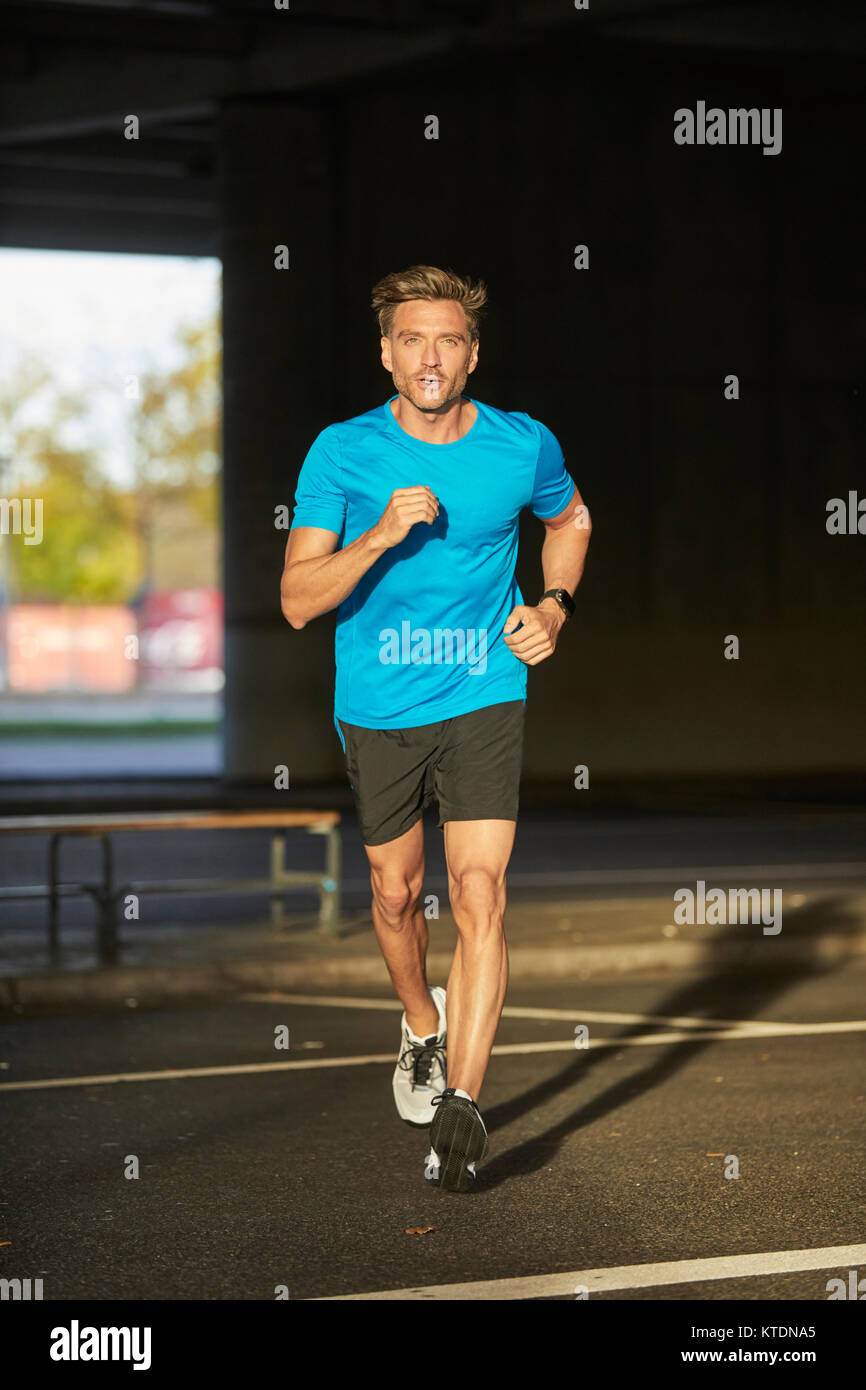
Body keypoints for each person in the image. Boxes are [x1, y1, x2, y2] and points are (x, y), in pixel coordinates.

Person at [280, 265, 591, 1191]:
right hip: (378, 701)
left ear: (472, 353)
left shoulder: (520, 443)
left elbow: (571, 520)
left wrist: (557, 605)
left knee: (479, 890)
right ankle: (422, 1020)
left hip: (485, 687)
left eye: (448, 340)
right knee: (392, 891)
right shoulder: (341, 452)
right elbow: (298, 601)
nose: (430, 356)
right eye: (411, 339)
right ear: (386, 352)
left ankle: (463, 1100)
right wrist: (375, 538)